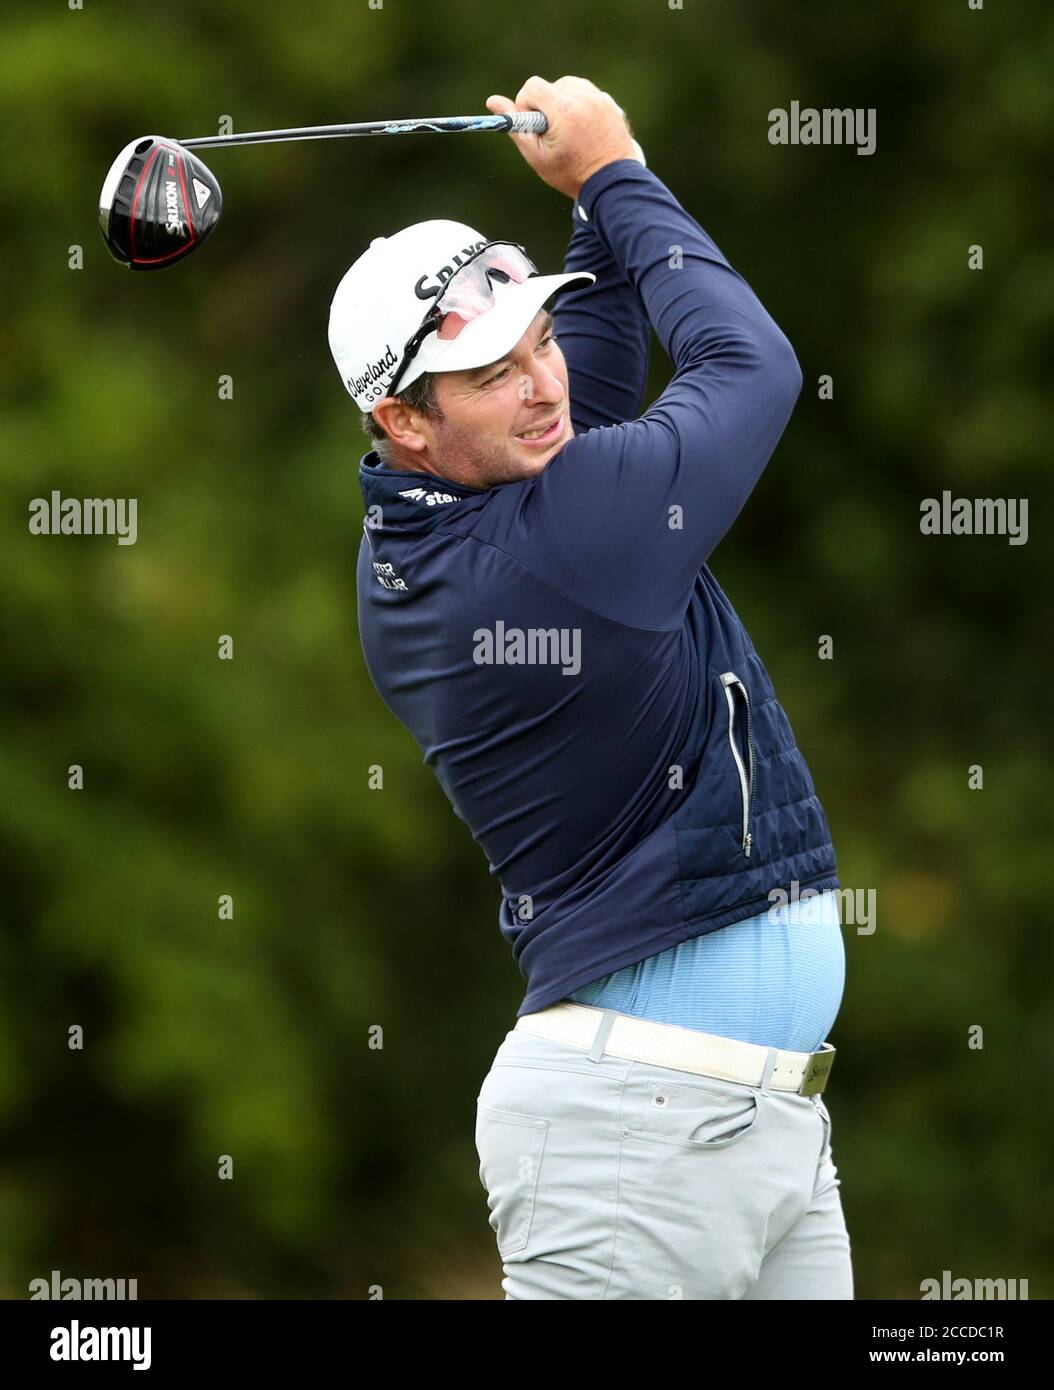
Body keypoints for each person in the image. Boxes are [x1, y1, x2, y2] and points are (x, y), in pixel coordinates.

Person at [327, 75, 851, 1300]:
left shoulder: (458, 514)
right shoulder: (557, 542)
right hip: (631, 1139)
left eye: (540, 339)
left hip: (754, 1133)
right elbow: (754, 367)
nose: (544, 384)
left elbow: (590, 382)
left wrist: (581, 202)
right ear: (402, 417)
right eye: (497, 370)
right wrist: (614, 171)